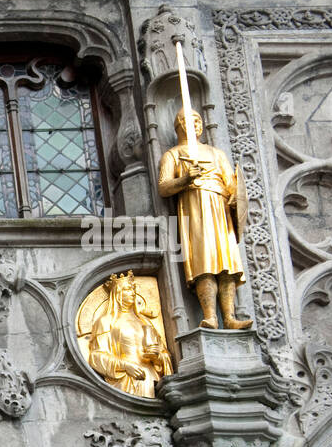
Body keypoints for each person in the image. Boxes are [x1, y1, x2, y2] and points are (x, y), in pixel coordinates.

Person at [157, 110, 251, 330]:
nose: (197, 125)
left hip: (219, 210)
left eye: (199, 121)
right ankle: (210, 316)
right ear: (180, 124)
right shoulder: (173, 154)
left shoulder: (216, 153)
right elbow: (163, 187)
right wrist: (186, 179)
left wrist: (235, 196)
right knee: (204, 262)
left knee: (226, 263)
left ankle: (229, 316)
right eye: (192, 121)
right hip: (194, 209)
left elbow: (231, 184)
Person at [85, 271, 173, 399]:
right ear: (117, 294)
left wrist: (158, 357)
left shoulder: (145, 321)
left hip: (152, 379)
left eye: (133, 289)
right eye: (127, 289)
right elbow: (96, 356)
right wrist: (125, 366)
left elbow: (165, 353)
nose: (132, 292)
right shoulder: (106, 321)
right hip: (127, 379)